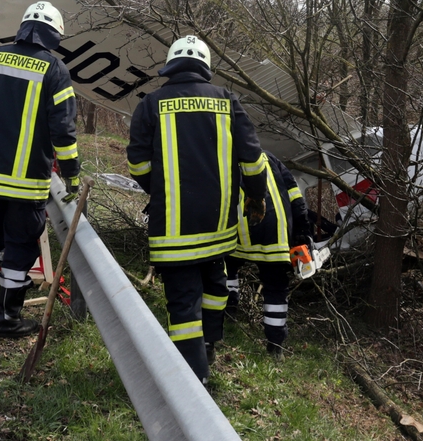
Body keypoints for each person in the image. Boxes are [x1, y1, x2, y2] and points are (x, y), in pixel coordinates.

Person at [127, 34, 268, 388]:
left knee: (183, 301)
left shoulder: (151, 103)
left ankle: (193, 376)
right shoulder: (227, 100)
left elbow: (137, 164)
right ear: (205, 66)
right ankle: (209, 345)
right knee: (215, 286)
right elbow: (252, 160)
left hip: (173, 227)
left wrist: (160, 193)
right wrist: (256, 197)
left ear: (172, 66)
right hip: (218, 225)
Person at [0, 1, 80, 338]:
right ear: (52, 35)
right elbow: (63, 130)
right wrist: (72, 172)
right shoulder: (54, 69)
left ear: (23, 27)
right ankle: (7, 319)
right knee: (21, 245)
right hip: (26, 183)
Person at [226, 150, 310, 356]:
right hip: (276, 233)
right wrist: (303, 232)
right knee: (276, 288)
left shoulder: (223, 157)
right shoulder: (271, 158)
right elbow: (295, 196)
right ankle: (275, 346)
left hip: (239, 231)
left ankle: (228, 314)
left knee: (227, 269)